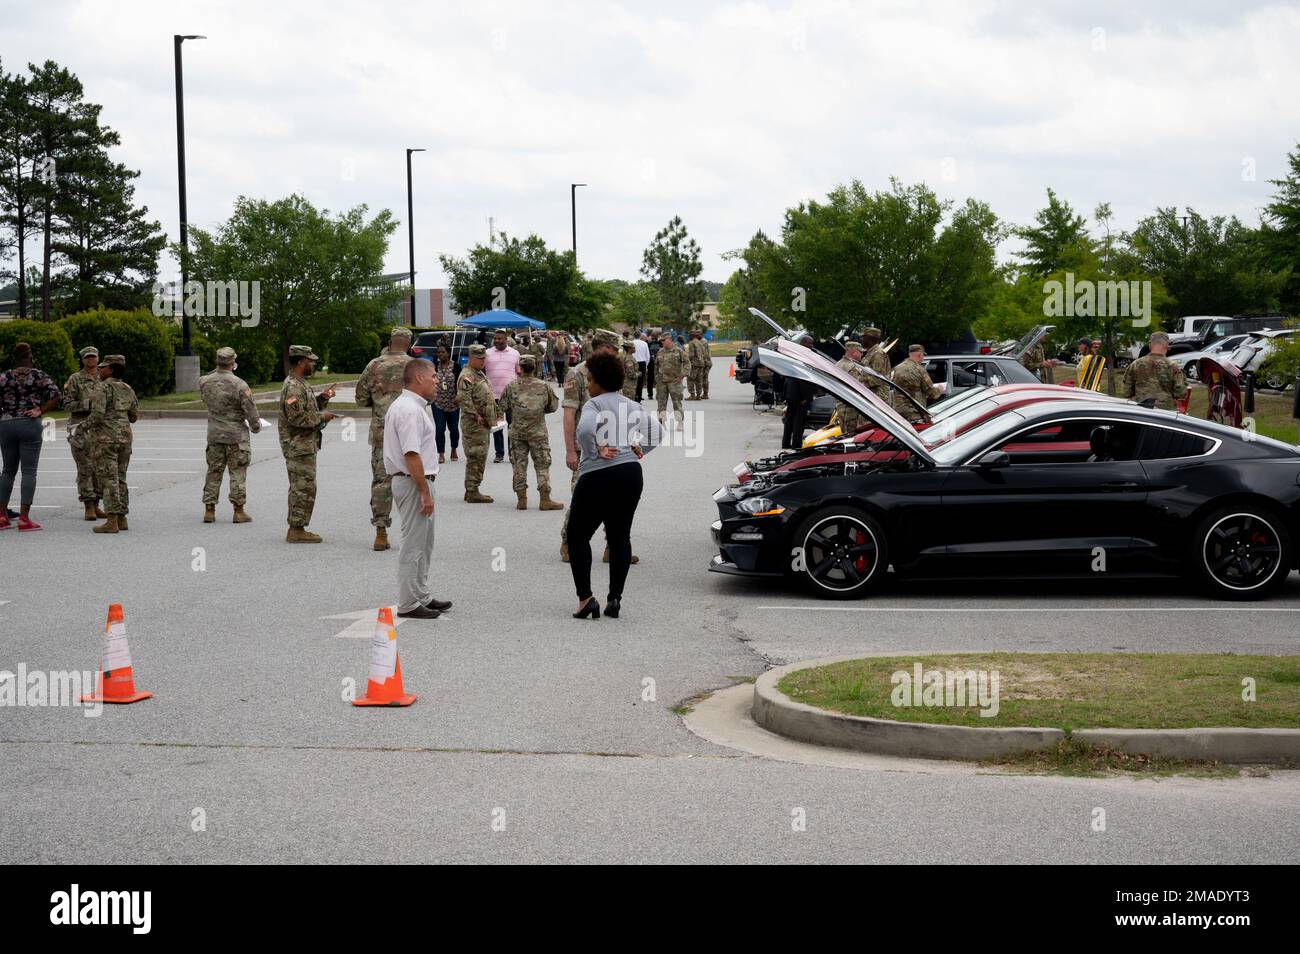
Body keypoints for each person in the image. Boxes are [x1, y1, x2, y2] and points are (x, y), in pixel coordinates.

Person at [567, 351, 661, 620]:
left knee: (578, 536)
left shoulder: (594, 405)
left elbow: (584, 431)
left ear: (597, 381)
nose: (587, 384)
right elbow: (658, 432)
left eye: (589, 379)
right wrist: (640, 448)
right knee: (620, 536)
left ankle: (586, 599)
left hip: (598, 475)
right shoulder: (632, 405)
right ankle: (615, 598)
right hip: (630, 473)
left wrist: (594, 452)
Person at [383, 360, 452, 620]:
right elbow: (411, 454)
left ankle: (421, 594)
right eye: (434, 376)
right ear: (420, 378)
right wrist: (424, 491)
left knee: (425, 543)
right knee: (413, 544)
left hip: (417, 481)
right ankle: (408, 602)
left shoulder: (414, 407)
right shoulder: (409, 410)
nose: (437, 381)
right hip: (413, 482)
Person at [561, 329, 634, 563]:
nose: (617, 354)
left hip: (613, 446)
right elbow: (570, 413)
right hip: (587, 448)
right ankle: (568, 542)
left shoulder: (612, 371)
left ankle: (613, 547)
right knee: (581, 497)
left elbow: (620, 410)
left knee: (615, 498)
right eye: (614, 349)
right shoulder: (578, 373)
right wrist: (571, 450)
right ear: (602, 348)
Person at [355, 327, 413, 551]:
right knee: (414, 479)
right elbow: (428, 396)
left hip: (382, 431)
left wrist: (380, 402)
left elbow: (361, 398)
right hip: (409, 431)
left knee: (382, 481)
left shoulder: (374, 365)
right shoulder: (414, 366)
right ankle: (412, 532)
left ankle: (381, 532)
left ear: (390, 341)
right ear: (408, 342)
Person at [278, 345, 337, 542]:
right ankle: (296, 530)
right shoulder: (293, 386)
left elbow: (306, 409)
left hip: (305, 444)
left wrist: (323, 399)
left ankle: (298, 527)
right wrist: (322, 417)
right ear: (302, 362)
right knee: (301, 487)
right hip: (297, 445)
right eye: (311, 361)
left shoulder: (300, 383)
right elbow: (297, 418)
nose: (314, 363)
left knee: (306, 486)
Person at [0, 343, 61, 531]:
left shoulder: (4, 376)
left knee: (8, 470)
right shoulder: (38, 375)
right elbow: (57, 394)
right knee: (29, 471)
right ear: (30, 357)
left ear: (14, 358)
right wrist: (40, 410)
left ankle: (2, 516)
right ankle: (24, 518)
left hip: (6, 423)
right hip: (29, 423)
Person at [198, 346, 260, 524]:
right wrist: (255, 426)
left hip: (215, 434)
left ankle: (209, 510)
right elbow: (250, 410)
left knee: (213, 471)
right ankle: (238, 510)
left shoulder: (204, 381)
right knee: (237, 472)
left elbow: (205, 399)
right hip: (236, 436)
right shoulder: (240, 384)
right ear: (233, 363)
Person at [497, 354, 564, 511]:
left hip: (517, 432)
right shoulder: (543, 385)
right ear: (534, 367)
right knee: (542, 465)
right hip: (538, 432)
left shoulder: (511, 386)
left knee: (519, 466)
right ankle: (545, 499)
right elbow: (553, 407)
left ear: (520, 368)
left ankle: (522, 499)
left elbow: (503, 406)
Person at [87, 354, 138, 534]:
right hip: (125, 437)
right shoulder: (128, 388)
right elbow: (134, 416)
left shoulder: (102, 387)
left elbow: (98, 415)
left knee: (109, 479)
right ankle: (122, 518)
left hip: (106, 439)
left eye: (103, 367)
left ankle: (111, 520)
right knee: (121, 478)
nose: (100, 370)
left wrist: (82, 427)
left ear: (111, 370)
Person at [63, 345, 104, 520]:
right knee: (85, 468)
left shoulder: (104, 377)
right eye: (87, 357)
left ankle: (97, 503)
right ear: (82, 359)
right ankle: (88, 505)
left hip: (100, 429)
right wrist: (88, 404)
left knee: (99, 468)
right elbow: (67, 404)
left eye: (93, 357)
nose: (91, 359)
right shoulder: (75, 379)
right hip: (80, 429)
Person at [456, 343, 499, 503]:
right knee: (476, 456)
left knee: (480, 455)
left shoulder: (479, 373)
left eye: (484, 358)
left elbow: (486, 395)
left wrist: (496, 411)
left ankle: (472, 489)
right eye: (480, 358)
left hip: (482, 422)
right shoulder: (467, 375)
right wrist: (475, 415)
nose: (483, 361)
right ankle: (472, 490)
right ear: (472, 358)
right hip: (474, 424)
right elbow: (463, 398)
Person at [1122, 332, 1187, 410]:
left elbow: (1126, 392)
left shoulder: (1136, 364)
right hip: (1165, 412)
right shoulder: (1173, 366)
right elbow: (1181, 392)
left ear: (1150, 345)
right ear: (1166, 346)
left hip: (1141, 410)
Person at [484, 329, 520, 463]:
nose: (497, 341)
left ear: (506, 339)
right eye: (495, 339)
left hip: (510, 396)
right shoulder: (487, 353)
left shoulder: (515, 353)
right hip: (492, 396)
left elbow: (519, 373)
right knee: (497, 426)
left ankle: (512, 453)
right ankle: (499, 453)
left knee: (512, 426)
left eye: (500, 338)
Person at [891, 344, 943, 423]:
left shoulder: (897, 368)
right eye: (923, 356)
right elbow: (931, 393)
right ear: (920, 355)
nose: (923, 358)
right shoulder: (919, 369)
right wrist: (940, 389)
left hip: (898, 413)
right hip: (914, 414)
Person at [431, 342, 461, 463]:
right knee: (439, 428)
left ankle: (454, 449)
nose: (440, 354)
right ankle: (441, 453)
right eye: (438, 352)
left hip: (453, 402)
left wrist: (459, 396)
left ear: (448, 353)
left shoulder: (456, 366)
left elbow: (460, 382)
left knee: (453, 428)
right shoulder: (434, 367)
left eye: (443, 352)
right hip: (438, 402)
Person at [834, 342, 870, 436]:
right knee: (851, 435)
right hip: (850, 407)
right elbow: (859, 387)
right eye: (860, 352)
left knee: (845, 433)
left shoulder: (838, 364)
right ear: (854, 352)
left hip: (841, 405)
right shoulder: (852, 366)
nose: (862, 354)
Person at [654, 333, 688, 426]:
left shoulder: (679, 351)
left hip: (674, 381)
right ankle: (662, 423)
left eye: (663, 340)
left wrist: (681, 376)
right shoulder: (660, 352)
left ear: (669, 339)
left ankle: (680, 422)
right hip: (661, 382)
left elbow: (687, 364)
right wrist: (657, 377)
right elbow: (656, 365)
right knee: (661, 403)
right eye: (661, 340)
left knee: (677, 403)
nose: (662, 342)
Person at [860, 328, 892, 398]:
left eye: (864, 337)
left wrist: (859, 383)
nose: (862, 340)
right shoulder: (870, 353)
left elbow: (877, 378)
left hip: (877, 397)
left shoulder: (878, 354)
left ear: (870, 339)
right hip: (870, 394)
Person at [686, 329, 713, 400]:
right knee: (699, 379)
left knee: (691, 379)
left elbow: (691, 355)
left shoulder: (692, 343)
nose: (688, 337)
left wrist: (686, 359)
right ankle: (698, 395)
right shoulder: (700, 342)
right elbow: (703, 353)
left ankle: (693, 395)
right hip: (702, 363)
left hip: (696, 363)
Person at [633, 332, 650, 402]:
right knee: (640, 382)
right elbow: (647, 356)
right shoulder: (644, 343)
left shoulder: (631, 343)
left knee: (633, 381)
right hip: (642, 363)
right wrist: (646, 365)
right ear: (640, 336)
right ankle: (639, 398)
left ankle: (633, 397)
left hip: (633, 362)